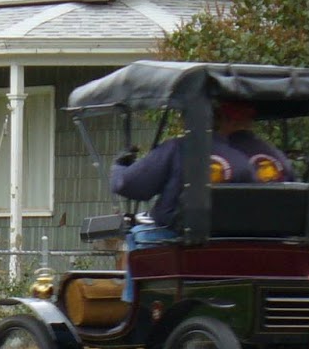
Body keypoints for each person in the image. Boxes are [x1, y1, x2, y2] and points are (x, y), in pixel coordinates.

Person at [110, 100, 293, 250]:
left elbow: (130, 185)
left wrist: (119, 168)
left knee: (136, 233)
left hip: (180, 240)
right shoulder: (249, 161)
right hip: (249, 242)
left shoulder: (179, 148)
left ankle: (132, 295)